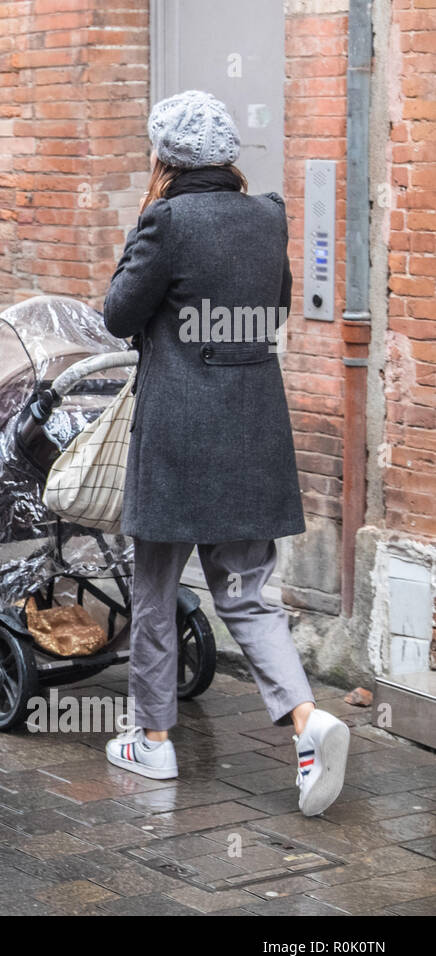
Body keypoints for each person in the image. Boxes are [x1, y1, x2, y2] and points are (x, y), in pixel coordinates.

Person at [100, 90, 349, 817]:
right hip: (252, 428)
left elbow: (120, 314)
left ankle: (154, 740)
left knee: (152, 592)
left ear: (164, 158)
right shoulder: (267, 215)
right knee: (247, 592)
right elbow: (273, 306)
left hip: (177, 432)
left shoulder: (167, 220)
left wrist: (142, 231)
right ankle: (309, 723)